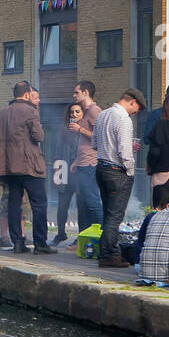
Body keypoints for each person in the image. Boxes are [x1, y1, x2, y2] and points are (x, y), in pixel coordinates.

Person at [0, 81, 55, 254]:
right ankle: (40, 244)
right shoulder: (30, 111)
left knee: (14, 203)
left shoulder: (2, 113)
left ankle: (17, 243)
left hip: (9, 167)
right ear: (27, 94)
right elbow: (39, 136)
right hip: (29, 166)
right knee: (39, 204)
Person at [93, 88, 147, 267]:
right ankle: (110, 255)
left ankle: (105, 251)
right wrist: (130, 172)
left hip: (101, 168)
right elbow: (124, 152)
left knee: (107, 214)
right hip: (117, 171)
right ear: (132, 101)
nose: (134, 113)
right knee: (115, 217)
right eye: (136, 109)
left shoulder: (102, 115)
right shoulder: (123, 118)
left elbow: (94, 143)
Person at [69, 81, 104, 230]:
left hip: (91, 164)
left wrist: (79, 130)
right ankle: (83, 239)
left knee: (92, 201)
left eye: (76, 92)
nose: (73, 95)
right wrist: (76, 161)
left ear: (86, 93)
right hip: (82, 163)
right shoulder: (86, 111)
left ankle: (102, 236)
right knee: (82, 203)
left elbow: (101, 137)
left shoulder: (94, 111)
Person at [51, 103, 83, 246]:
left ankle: (81, 236)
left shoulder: (86, 129)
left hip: (80, 171)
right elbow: (58, 151)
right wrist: (56, 172)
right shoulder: (64, 130)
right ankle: (61, 233)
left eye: (77, 112)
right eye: (72, 112)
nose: (74, 115)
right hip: (64, 169)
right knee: (62, 205)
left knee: (81, 205)